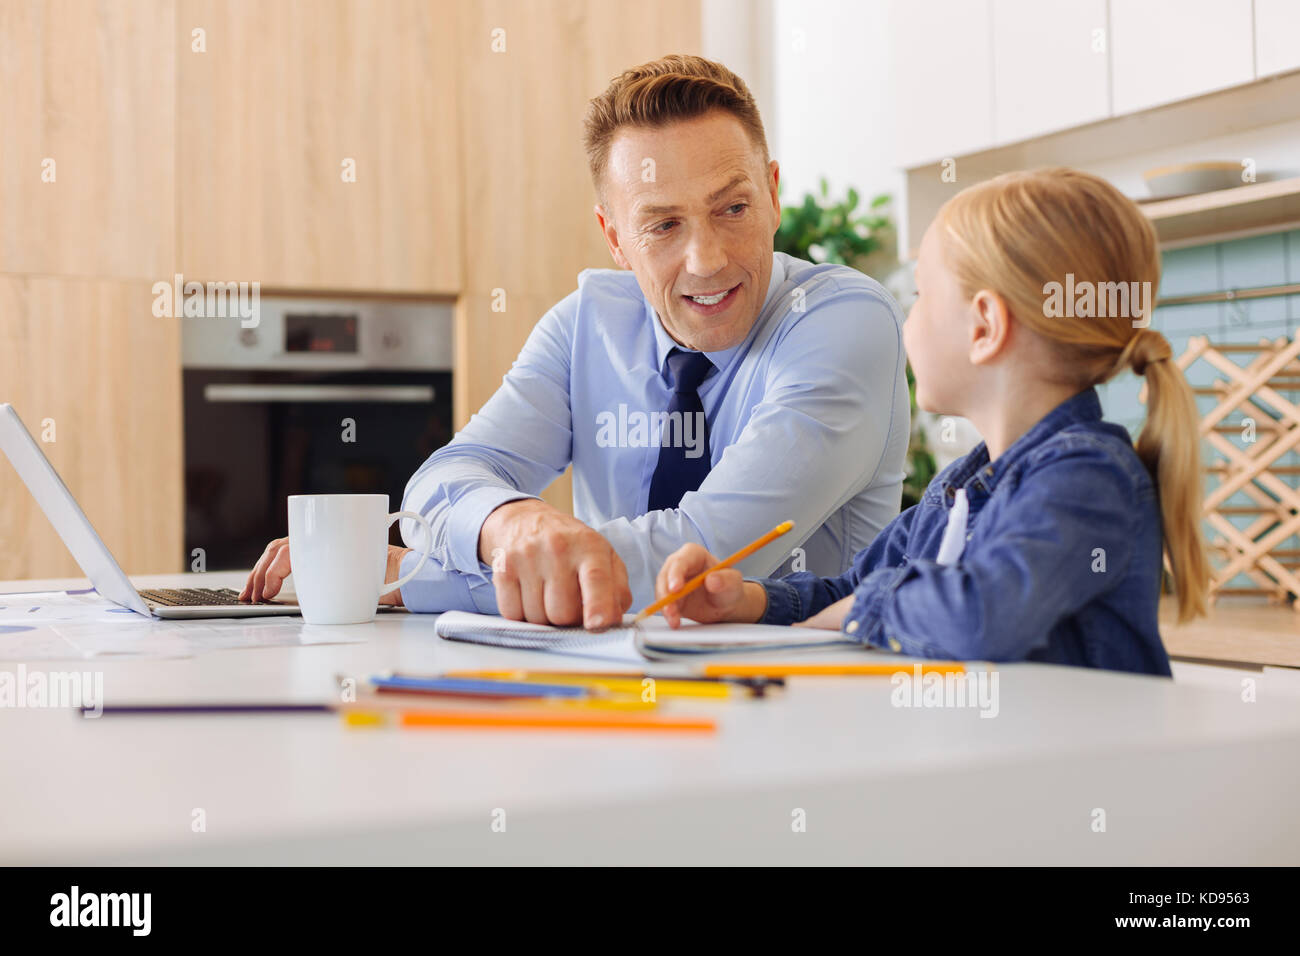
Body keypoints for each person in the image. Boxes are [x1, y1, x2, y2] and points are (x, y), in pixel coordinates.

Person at [242, 55, 910, 628]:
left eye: (732, 208)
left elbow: (700, 555)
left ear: (770, 195)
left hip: (811, 704)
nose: (707, 259)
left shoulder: (841, 319)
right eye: (662, 225)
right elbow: (445, 479)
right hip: (619, 690)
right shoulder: (586, 323)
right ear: (615, 238)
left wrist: (415, 575)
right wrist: (512, 526)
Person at [654, 167, 1210, 676]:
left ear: (985, 326)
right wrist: (748, 600)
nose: (907, 319)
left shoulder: (1087, 479)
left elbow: (979, 615)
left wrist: (863, 607)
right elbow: (852, 588)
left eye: (921, 296)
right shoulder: (959, 489)